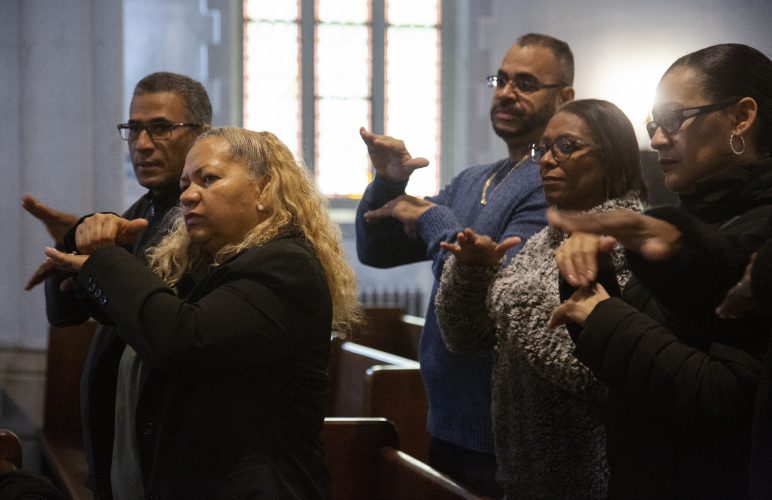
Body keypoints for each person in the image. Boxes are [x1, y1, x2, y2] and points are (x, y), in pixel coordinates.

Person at [44, 128, 360, 499]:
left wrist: (108, 260)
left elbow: (180, 339)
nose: (189, 195)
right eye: (186, 184)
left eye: (208, 179)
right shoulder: (199, 264)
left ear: (264, 188)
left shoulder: (285, 265)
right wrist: (80, 239)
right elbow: (87, 307)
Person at [547, 43, 772, 498]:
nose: (657, 139)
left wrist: (601, 316)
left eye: (673, 118)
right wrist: (590, 272)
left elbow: (725, 399)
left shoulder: (761, 232)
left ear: (741, 118)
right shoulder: (698, 216)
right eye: (653, 125)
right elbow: (638, 359)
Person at [355, 33, 574, 496]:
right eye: (502, 79)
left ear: (564, 97)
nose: (506, 92)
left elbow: (501, 286)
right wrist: (389, 185)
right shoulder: (476, 178)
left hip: (501, 432)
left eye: (527, 83)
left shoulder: (553, 184)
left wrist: (431, 216)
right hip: (446, 419)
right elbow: (378, 249)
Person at [434, 99, 647, 497]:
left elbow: (594, 372)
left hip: (592, 478)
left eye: (565, 146)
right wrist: (472, 273)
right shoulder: (542, 242)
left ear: (611, 160)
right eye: (543, 148)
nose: (546, 161)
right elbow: (465, 339)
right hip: (523, 473)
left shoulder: (628, 243)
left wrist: (507, 299)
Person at [40, 71, 213, 497]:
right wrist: (73, 240)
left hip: (170, 445)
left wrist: (99, 258)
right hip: (121, 442)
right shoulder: (143, 210)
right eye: (134, 129)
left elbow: (164, 322)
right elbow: (65, 312)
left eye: (160, 128)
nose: (142, 144)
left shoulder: (202, 220)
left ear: (201, 135)